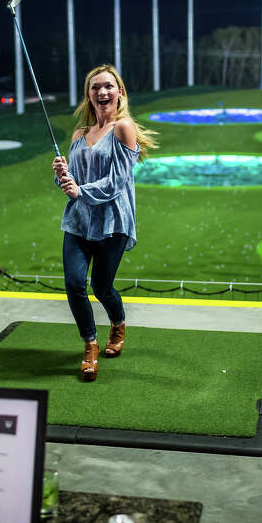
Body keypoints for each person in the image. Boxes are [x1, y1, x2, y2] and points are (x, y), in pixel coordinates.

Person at [52, 64, 158, 381]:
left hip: (112, 223)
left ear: (119, 92)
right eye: (95, 87)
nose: (102, 92)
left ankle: (118, 322)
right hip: (79, 222)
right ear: (88, 95)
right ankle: (90, 346)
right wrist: (61, 175)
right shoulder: (78, 134)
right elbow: (71, 184)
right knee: (73, 284)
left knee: (101, 286)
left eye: (108, 86)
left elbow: (117, 184)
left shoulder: (123, 128)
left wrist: (78, 190)